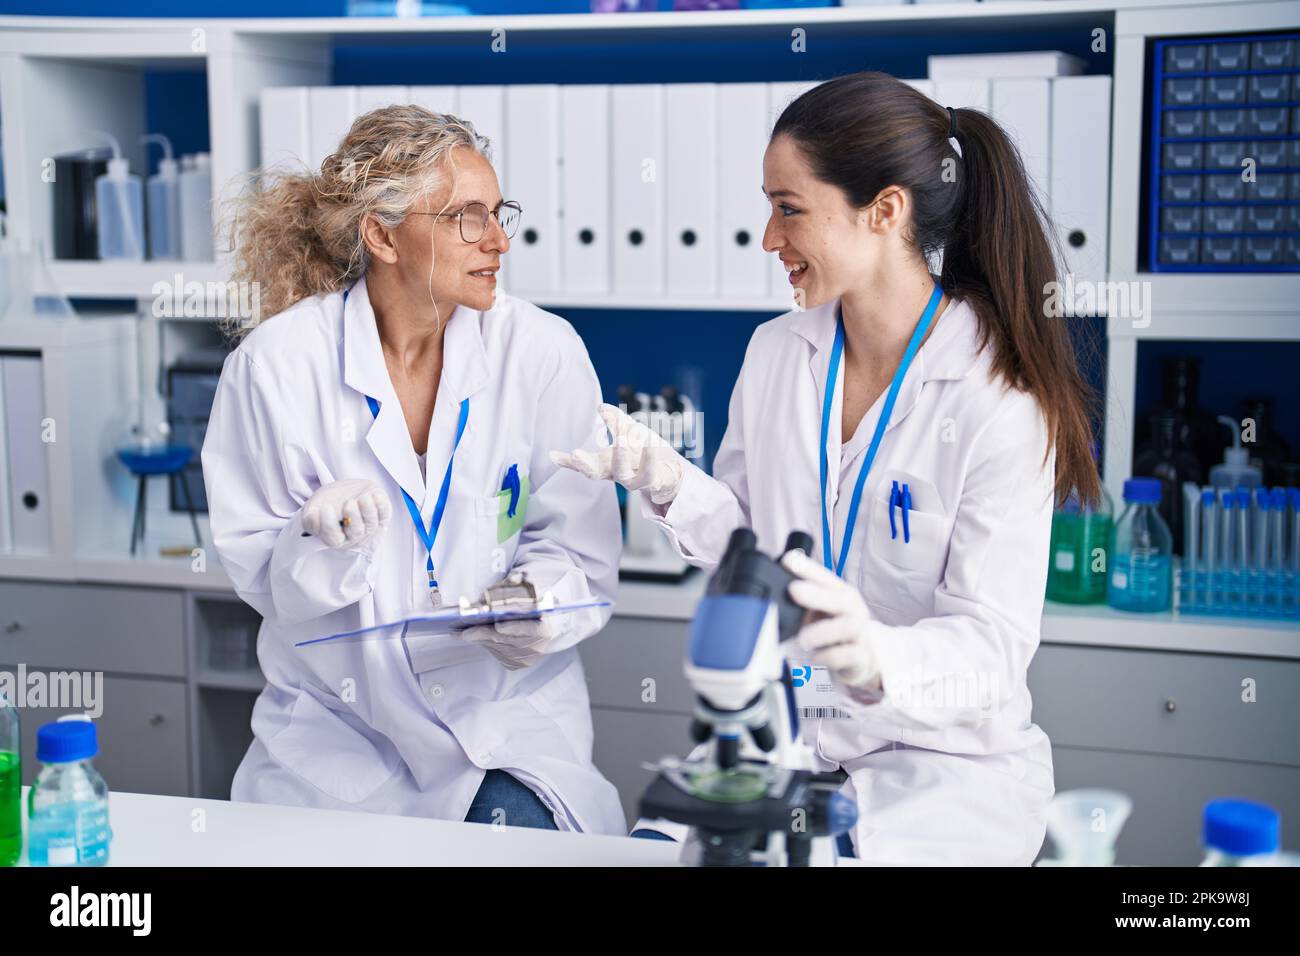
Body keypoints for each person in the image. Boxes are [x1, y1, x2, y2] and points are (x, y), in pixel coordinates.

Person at [554, 71, 1102, 864]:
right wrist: (669, 484)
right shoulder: (779, 353)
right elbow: (756, 549)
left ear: (884, 211)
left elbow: (990, 653)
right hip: (784, 741)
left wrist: (879, 658)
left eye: (789, 208)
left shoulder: (997, 399)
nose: (769, 238)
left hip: (937, 774)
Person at [203, 105, 624, 834]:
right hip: (338, 743)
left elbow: (580, 549)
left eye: (499, 214)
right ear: (382, 233)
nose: (498, 240)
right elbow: (261, 580)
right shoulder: (276, 368)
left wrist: (536, 600)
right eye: (466, 217)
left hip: (505, 729)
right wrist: (315, 545)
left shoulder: (542, 352)